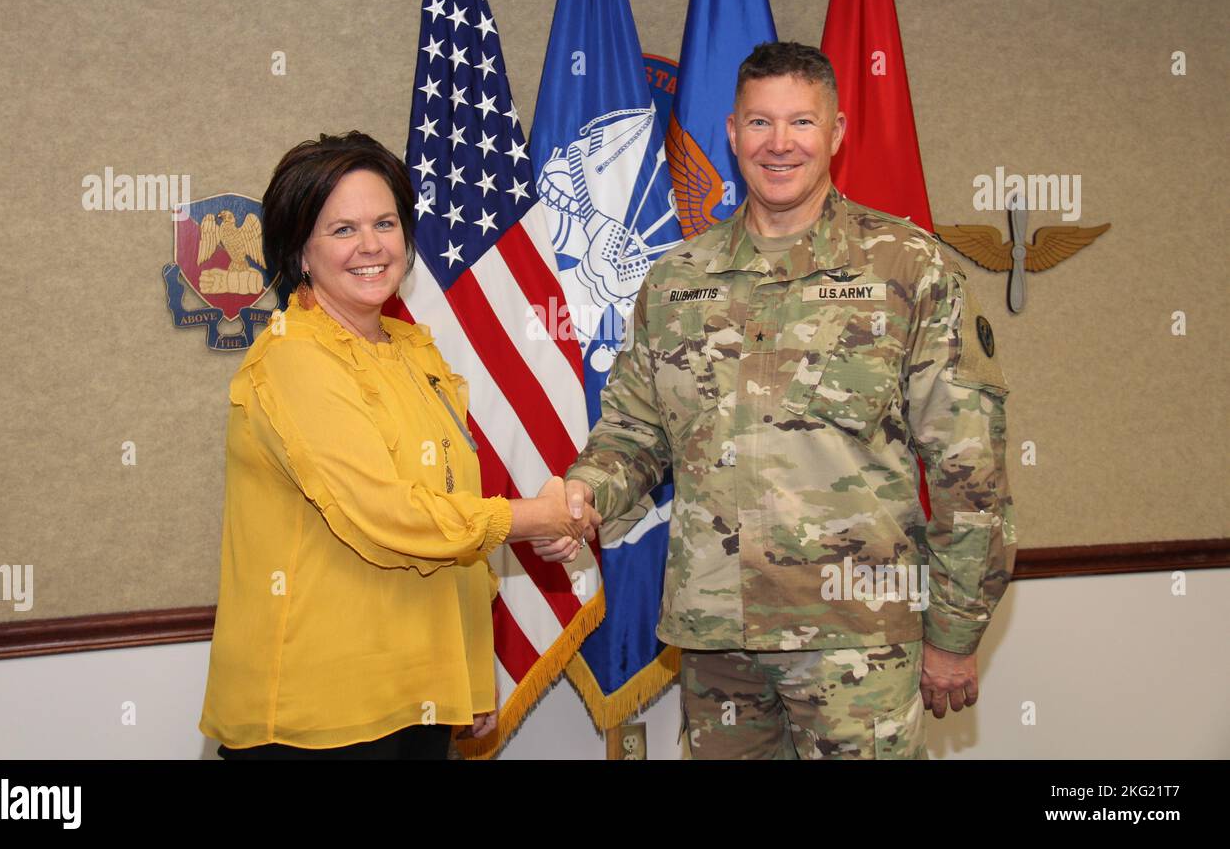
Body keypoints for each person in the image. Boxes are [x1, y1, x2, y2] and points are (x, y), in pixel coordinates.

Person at [559, 42, 1016, 759]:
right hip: (717, 639)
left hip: (856, 642)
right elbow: (634, 432)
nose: (780, 144)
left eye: (801, 123)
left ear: (835, 134)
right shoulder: (678, 280)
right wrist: (582, 496)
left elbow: (971, 472)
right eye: (760, 123)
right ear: (732, 133)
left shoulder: (908, 268)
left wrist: (956, 632)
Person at [199, 131, 598, 759]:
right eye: (342, 229)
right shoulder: (293, 359)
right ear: (299, 251)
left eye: (385, 222)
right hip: (321, 717)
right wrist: (530, 518)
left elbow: (449, 521)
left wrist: (466, 678)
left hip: (417, 698)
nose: (370, 245)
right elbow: (393, 519)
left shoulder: (410, 349)